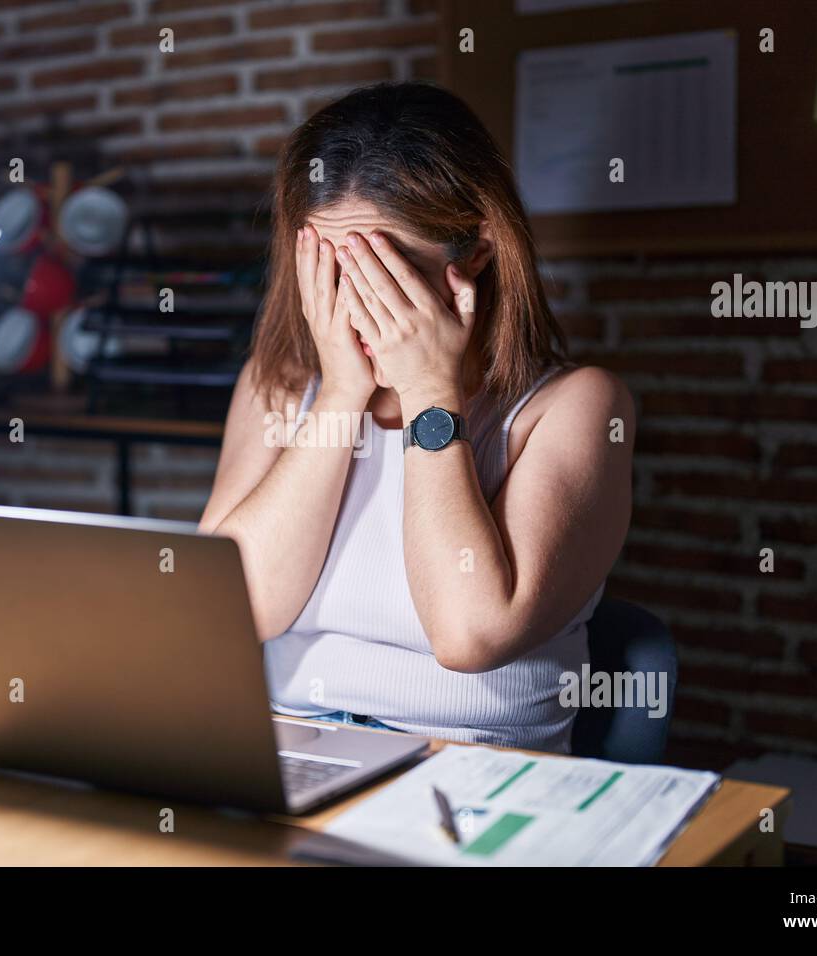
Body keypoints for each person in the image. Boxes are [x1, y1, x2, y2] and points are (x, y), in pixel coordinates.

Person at [199, 82, 634, 750]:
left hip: (472, 766)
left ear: (477, 254)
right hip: (287, 750)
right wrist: (343, 392)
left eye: (385, 272)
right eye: (333, 270)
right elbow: (231, 612)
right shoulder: (279, 386)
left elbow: (470, 635)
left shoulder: (578, 406)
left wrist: (432, 394)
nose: (354, 306)